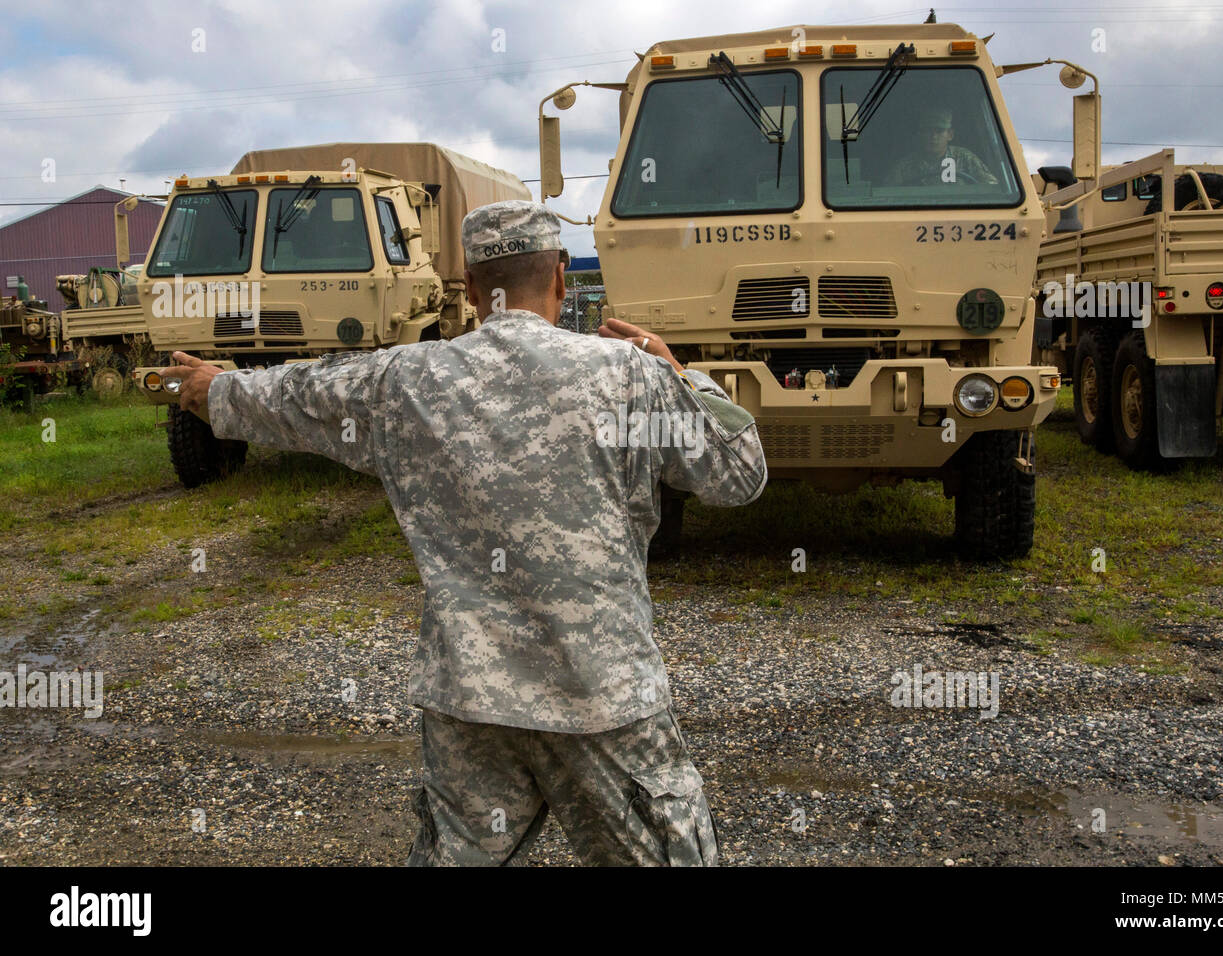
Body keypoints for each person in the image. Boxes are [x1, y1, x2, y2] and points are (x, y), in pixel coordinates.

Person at [161, 199, 768, 866]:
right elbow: (739, 475)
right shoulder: (629, 376)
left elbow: (304, 394)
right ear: (560, 277)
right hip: (601, 696)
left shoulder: (405, 380)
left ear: (473, 289)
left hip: (470, 700)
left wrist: (217, 390)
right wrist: (679, 373)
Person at [886, 107, 997, 186]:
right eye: (928, 131)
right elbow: (888, 197)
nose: (933, 136)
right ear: (919, 135)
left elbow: (991, 187)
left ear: (950, 135)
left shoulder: (965, 158)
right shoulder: (904, 167)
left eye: (939, 131)